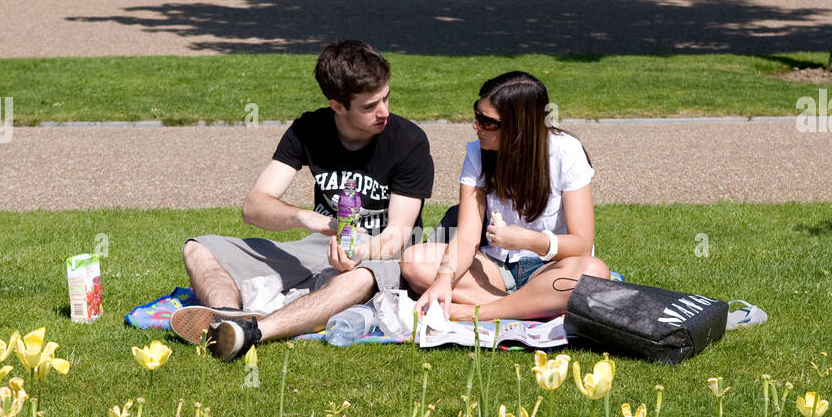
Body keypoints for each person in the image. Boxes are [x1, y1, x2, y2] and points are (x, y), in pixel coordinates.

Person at [171, 40, 435, 359]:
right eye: (370, 106)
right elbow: (254, 207)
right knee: (199, 248)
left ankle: (254, 332)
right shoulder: (309, 129)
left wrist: (362, 251)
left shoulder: (408, 142)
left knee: (362, 277)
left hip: (382, 257)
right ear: (337, 105)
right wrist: (310, 219)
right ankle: (227, 317)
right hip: (316, 247)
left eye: (386, 98)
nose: (384, 112)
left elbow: (398, 235)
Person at [402, 71, 609, 323]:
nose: (476, 125)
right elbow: (467, 237)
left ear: (519, 126)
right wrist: (444, 279)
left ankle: (472, 312)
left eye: (487, 121)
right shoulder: (478, 153)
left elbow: (581, 245)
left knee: (594, 272)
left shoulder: (566, 152)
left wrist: (528, 239)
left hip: (549, 268)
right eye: (477, 115)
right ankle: (531, 307)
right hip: (494, 269)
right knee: (415, 259)